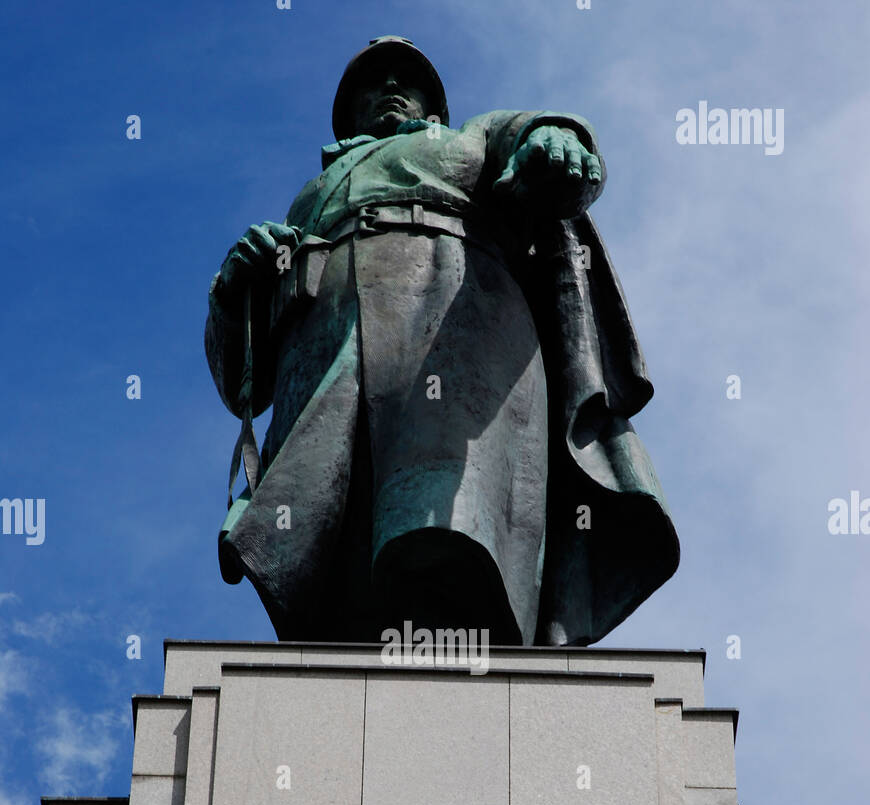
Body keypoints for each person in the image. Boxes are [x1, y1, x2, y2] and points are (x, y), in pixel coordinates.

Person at [205, 36, 678, 645]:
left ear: (433, 105)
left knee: (442, 520)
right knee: (336, 534)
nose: (391, 89)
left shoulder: (467, 140)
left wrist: (557, 137)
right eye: (373, 83)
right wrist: (235, 288)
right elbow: (243, 378)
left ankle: (453, 658)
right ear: (350, 111)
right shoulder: (309, 197)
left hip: (454, 320)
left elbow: (532, 131)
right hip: (327, 352)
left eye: (408, 79)